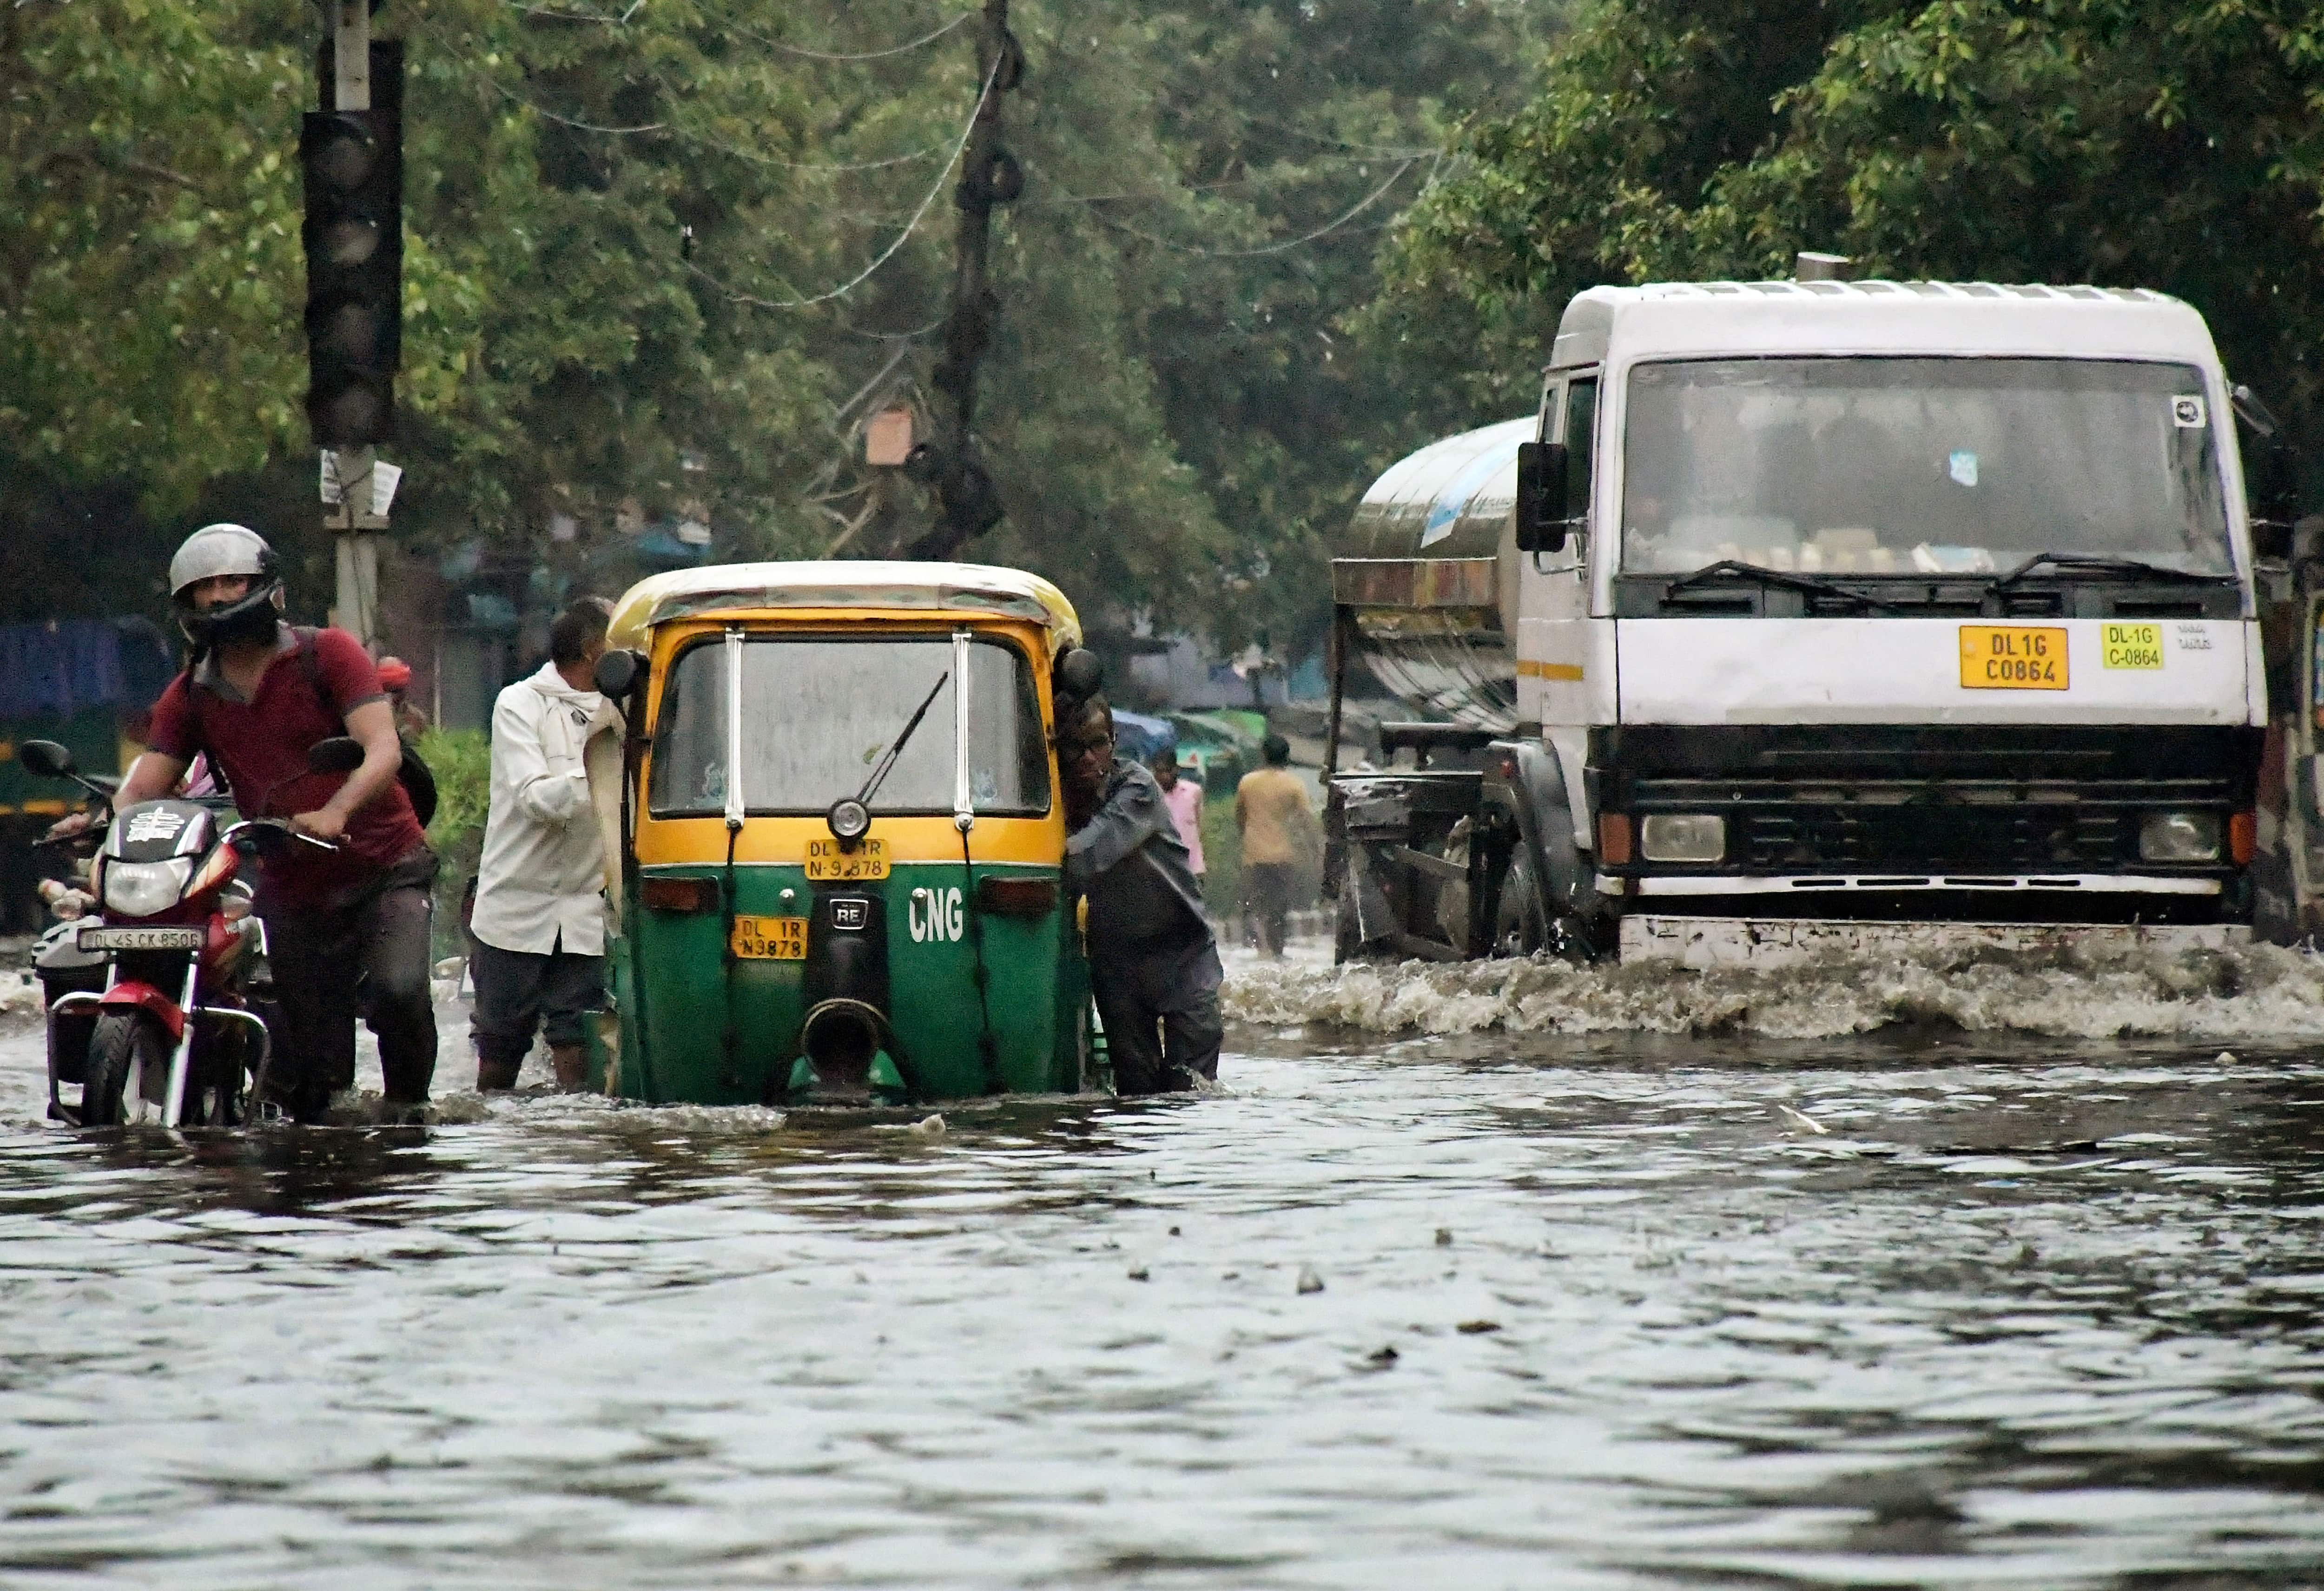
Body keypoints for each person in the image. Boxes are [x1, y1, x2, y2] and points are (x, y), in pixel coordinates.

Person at [51, 523, 437, 1121]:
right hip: (291, 884)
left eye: (234, 581)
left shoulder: (328, 653)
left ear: (267, 588)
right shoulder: (190, 695)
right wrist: (100, 824)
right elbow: (148, 782)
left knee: (399, 992)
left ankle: (411, 1115)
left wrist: (336, 810)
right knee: (314, 1074)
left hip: (385, 866)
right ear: (189, 605)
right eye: (206, 587)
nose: (221, 596)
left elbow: (382, 748)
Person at [467, 598, 621, 1092]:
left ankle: (572, 1148)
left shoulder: (623, 707)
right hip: (516, 905)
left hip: (584, 908)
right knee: (500, 1047)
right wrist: (604, 771)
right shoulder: (518, 704)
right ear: (593, 651)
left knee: (578, 1042)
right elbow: (537, 799)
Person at [1059, 695, 1222, 1095]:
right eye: (1074, 748)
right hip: (1119, 960)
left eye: (1098, 744)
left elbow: (1090, 854)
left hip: (1182, 949)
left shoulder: (1136, 789)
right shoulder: (1057, 798)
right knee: (1136, 1093)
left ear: (1114, 742)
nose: (1087, 758)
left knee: (1192, 1087)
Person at [1235, 731, 1313, 957]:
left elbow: (1240, 817)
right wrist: (1315, 850)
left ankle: (1261, 951)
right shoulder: (1294, 785)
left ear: (1263, 755)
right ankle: (1277, 951)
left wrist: (1246, 838)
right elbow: (1305, 821)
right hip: (1283, 856)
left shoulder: (1247, 783)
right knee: (1279, 909)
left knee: (1256, 905)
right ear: (1287, 757)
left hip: (1254, 854)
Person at [1151, 746, 1205, 886]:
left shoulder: (1194, 792)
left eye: (1165, 771)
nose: (1161, 776)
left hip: (1192, 867)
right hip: (1164, 870)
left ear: (1176, 769)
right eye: (1158, 772)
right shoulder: (1152, 797)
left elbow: (1198, 827)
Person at [375, 655, 430, 744]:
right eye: (387, 690)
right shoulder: (366, 717)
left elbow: (426, 750)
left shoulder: (417, 718)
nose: (392, 697)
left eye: (397, 690)